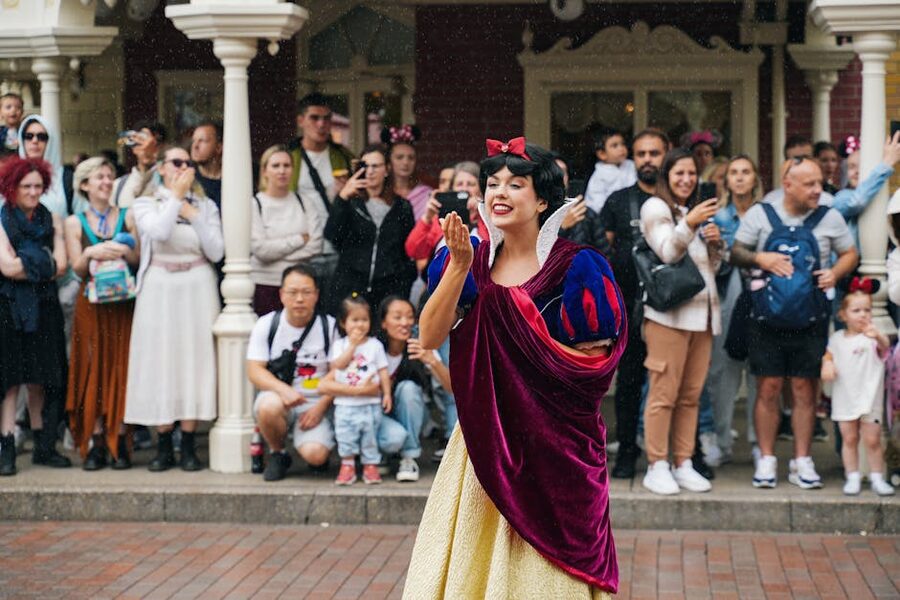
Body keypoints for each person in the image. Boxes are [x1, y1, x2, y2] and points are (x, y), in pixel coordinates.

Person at [404, 138, 627, 597]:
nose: (499, 192)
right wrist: (459, 268)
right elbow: (428, 337)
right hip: (486, 441)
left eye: (515, 184)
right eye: (492, 183)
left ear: (543, 199)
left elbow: (590, 370)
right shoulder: (465, 260)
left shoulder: (579, 267)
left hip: (556, 447)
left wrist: (527, 390)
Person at [731, 157, 858, 490]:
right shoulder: (761, 214)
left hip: (811, 319)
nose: (819, 190)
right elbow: (736, 252)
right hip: (765, 319)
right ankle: (767, 459)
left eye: (820, 182)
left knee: (805, 390)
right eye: (810, 184)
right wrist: (761, 257)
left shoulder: (830, 217)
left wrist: (836, 272)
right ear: (788, 185)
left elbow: (850, 253)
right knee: (768, 388)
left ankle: (802, 460)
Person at [124, 146, 224, 472]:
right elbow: (159, 232)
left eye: (187, 163)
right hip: (159, 287)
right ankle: (163, 442)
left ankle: (189, 441)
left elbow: (217, 250)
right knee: (160, 361)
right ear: (163, 168)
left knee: (195, 360)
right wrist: (174, 200)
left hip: (196, 283)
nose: (182, 167)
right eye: (176, 162)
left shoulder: (205, 205)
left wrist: (194, 215)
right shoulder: (145, 203)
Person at [639, 149, 723, 495]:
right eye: (679, 174)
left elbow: (708, 269)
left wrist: (716, 246)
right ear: (667, 176)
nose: (687, 179)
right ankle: (657, 465)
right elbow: (667, 252)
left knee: (690, 396)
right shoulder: (655, 208)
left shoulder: (693, 211)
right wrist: (689, 225)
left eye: (691, 173)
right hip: (668, 318)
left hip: (703, 317)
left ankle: (683, 462)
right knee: (663, 394)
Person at [598, 129, 669, 478]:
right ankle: (627, 451)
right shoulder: (618, 200)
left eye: (654, 153)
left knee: (670, 383)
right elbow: (604, 249)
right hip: (629, 306)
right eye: (640, 154)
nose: (647, 160)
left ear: (666, 156)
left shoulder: (677, 198)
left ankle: (674, 455)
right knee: (628, 383)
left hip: (672, 307)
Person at [64, 157, 139, 470]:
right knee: (92, 366)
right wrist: (91, 251)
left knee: (121, 366)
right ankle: (95, 440)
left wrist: (124, 250)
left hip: (122, 303)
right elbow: (76, 269)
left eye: (110, 177)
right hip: (91, 304)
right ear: (84, 185)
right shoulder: (73, 222)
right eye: (99, 178)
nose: (107, 182)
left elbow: (137, 259)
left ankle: (119, 437)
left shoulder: (127, 215)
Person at [0, 157, 70, 476]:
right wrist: (41, 260)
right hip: (9, 307)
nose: (32, 192)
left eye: (37, 186)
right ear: (11, 188)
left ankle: (44, 447)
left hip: (44, 307)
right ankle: (7, 448)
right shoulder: (1, 220)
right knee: (11, 380)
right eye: (25, 186)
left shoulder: (51, 218)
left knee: (42, 376)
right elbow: (6, 268)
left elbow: (62, 266)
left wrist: (29, 261)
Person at [246, 265, 339, 482]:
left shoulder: (329, 326)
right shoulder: (267, 324)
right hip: (281, 398)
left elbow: (338, 372)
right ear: (281, 294)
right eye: (292, 292)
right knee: (268, 406)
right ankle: (278, 452)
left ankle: (311, 444)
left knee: (316, 456)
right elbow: (254, 370)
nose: (299, 299)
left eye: (306, 292)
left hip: (316, 402)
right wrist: (284, 390)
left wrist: (321, 407)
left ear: (316, 295)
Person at [706, 155, 763, 466]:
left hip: (761, 298)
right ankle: (722, 441)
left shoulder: (767, 214)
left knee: (759, 373)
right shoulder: (718, 218)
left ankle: (758, 442)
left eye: (745, 172)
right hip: (727, 297)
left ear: (755, 178)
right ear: (726, 181)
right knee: (722, 373)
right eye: (734, 173)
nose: (740, 178)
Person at [821, 280, 894, 496]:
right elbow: (828, 354)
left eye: (867, 310)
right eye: (856, 310)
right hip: (845, 396)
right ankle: (852, 475)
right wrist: (827, 364)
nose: (863, 315)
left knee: (872, 440)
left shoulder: (871, 338)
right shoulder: (836, 339)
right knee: (849, 438)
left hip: (869, 397)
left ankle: (877, 477)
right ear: (843, 314)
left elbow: (885, 348)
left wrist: (878, 336)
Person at [325, 144, 415, 314]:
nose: (371, 171)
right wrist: (343, 197)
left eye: (376, 166)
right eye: (365, 166)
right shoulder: (350, 202)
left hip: (388, 290)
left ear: (387, 169)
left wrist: (403, 286)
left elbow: (407, 251)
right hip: (351, 287)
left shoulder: (402, 206)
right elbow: (332, 235)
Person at [376, 296, 453, 478]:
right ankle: (378, 454)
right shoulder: (372, 347)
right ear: (383, 323)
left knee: (409, 388)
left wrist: (431, 360)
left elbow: (451, 388)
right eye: (397, 317)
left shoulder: (421, 343)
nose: (405, 322)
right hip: (377, 414)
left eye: (410, 317)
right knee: (393, 439)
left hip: (413, 413)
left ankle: (409, 458)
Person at [321, 295, 392, 485]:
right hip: (345, 404)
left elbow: (383, 371)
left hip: (370, 404)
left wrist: (386, 394)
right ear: (344, 323)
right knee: (345, 435)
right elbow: (339, 366)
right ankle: (347, 465)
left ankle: (370, 465)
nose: (359, 325)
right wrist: (352, 346)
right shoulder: (339, 345)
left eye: (364, 320)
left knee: (370, 435)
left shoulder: (375, 345)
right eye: (354, 320)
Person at [288, 93, 354, 288]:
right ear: (301, 121)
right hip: (300, 244)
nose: (321, 124)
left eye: (326, 118)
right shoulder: (289, 157)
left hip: (335, 242)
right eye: (314, 118)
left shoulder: (343, 156)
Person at [250, 144, 323, 315]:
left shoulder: (304, 203)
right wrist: (298, 240)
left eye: (286, 165)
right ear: (265, 171)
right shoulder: (255, 205)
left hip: (300, 287)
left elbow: (315, 245)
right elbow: (261, 250)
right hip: (265, 285)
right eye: (275, 166)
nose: (282, 171)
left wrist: (276, 254)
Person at [832, 132, 900, 247]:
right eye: (851, 167)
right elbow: (856, 202)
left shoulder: (885, 199)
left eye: (862, 166)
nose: (857, 171)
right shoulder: (842, 197)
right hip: (852, 264)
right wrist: (887, 163)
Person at [762, 135, 835, 207]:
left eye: (806, 159)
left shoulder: (828, 202)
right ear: (787, 164)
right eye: (797, 160)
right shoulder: (771, 202)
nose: (802, 164)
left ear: (814, 161)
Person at [112, 121, 167, 209]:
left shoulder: (170, 183)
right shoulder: (118, 186)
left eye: (157, 143)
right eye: (140, 139)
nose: (147, 146)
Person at [383, 125, 433, 221]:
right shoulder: (381, 192)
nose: (406, 162)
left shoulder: (426, 194)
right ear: (389, 162)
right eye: (399, 157)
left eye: (411, 158)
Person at [583, 128, 636, 216]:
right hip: (608, 217)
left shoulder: (631, 166)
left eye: (622, 144)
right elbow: (595, 203)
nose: (621, 148)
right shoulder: (599, 175)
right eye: (615, 146)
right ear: (602, 154)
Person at [190, 120, 223, 208]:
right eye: (193, 141)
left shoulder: (233, 178)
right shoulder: (188, 175)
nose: (195, 146)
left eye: (203, 141)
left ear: (219, 147)